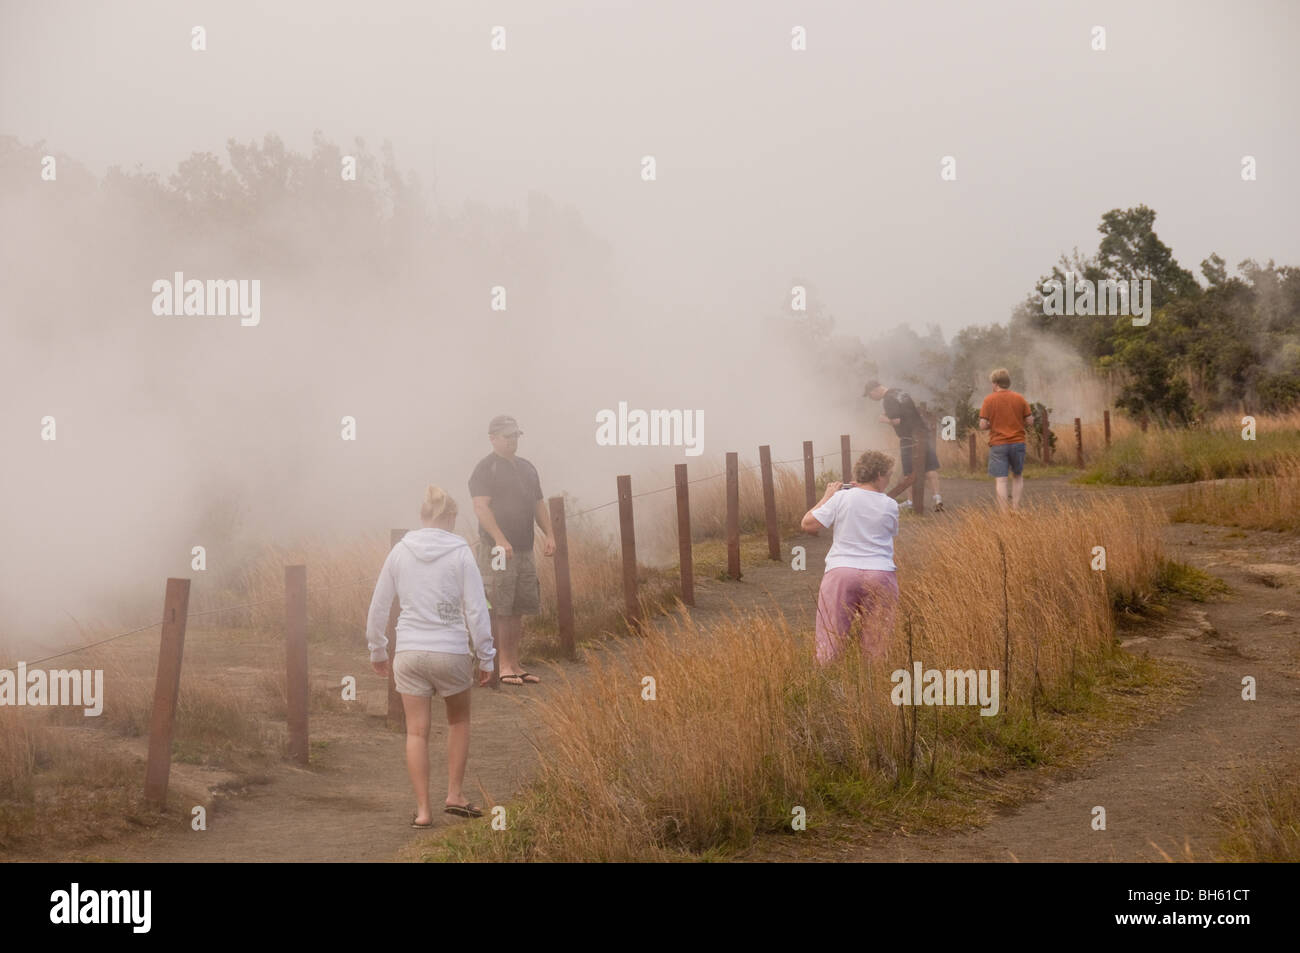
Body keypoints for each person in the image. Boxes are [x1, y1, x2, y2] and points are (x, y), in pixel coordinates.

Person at [365, 486, 495, 827]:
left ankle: (423, 811)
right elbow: (477, 609)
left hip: (408, 651)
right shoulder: (461, 552)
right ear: (450, 518)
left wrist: (378, 648)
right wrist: (487, 657)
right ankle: (455, 794)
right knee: (459, 721)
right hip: (450, 650)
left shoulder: (400, 551)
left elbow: (379, 605)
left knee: (416, 732)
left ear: (422, 517)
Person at [468, 415, 556, 686]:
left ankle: (514, 663)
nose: (512, 440)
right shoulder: (485, 469)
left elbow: (538, 504)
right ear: (493, 438)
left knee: (519, 606)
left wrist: (549, 534)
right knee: (499, 605)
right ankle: (498, 665)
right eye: (507, 436)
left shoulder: (527, 468)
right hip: (497, 550)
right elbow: (481, 507)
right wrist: (499, 539)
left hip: (524, 547)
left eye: (515, 435)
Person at [800, 450, 901, 665]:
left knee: (830, 638)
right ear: (880, 475)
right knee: (877, 642)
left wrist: (827, 497)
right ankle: (872, 687)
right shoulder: (890, 505)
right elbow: (891, 532)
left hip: (841, 571)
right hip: (880, 572)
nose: (889, 480)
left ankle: (826, 684)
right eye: (889, 475)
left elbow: (808, 524)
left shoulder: (841, 498)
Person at [863, 380, 943, 512]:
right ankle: (938, 498)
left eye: (870, 395)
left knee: (908, 471)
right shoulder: (900, 392)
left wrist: (885, 420)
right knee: (930, 468)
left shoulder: (887, 399)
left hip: (908, 438)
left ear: (874, 390)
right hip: (922, 433)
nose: (872, 398)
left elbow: (897, 420)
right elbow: (908, 412)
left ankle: (911, 502)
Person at [978, 368, 1035, 511]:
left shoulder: (989, 399)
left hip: (998, 444)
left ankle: (1003, 513)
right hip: (1018, 442)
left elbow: (983, 425)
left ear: (995, 383)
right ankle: (1015, 509)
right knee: (1017, 476)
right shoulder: (1019, 398)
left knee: (1001, 479)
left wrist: (993, 423)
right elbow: (1030, 421)